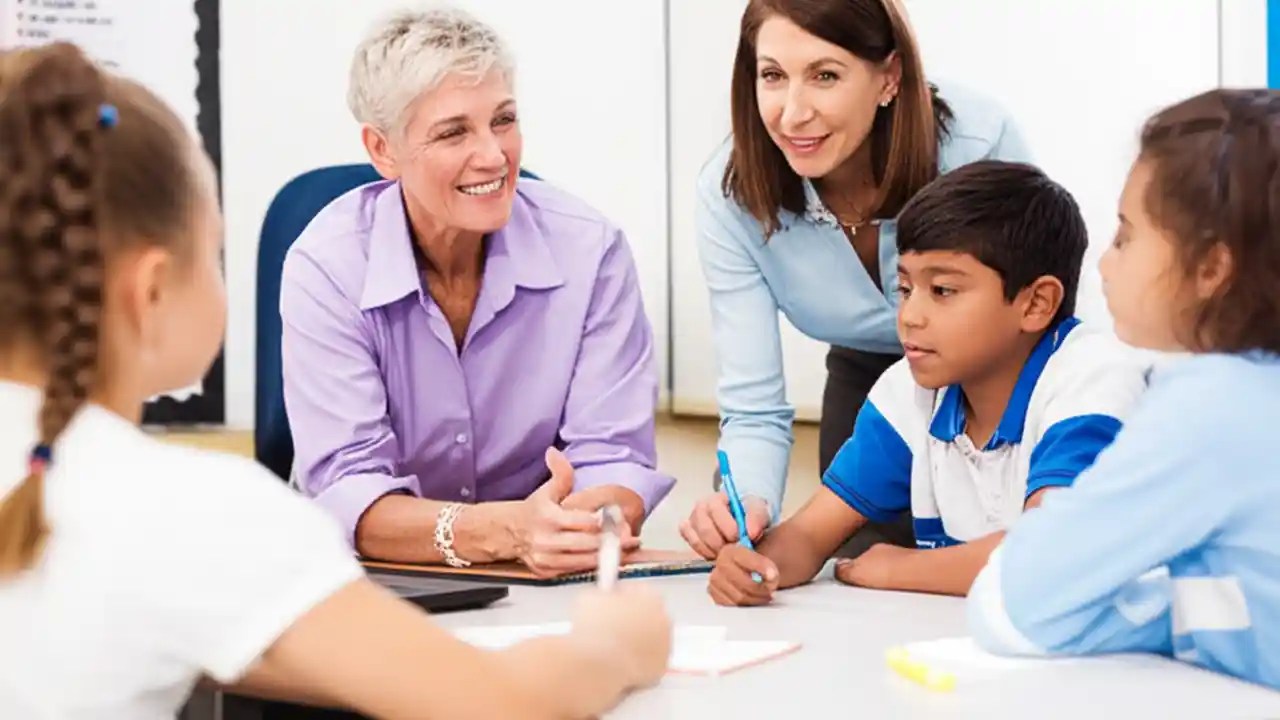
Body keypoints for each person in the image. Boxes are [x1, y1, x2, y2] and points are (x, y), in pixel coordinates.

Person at [0, 41, 671, 719]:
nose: (493, 156)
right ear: (151, 291)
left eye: (503, 121)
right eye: (214, 250)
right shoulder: (199, 514)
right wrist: (613, 647)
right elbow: (501, 703)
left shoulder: (92, 494)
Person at [281, 6, 673, 576]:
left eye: (503, 120)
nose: (494, 156)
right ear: (383, 150)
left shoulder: (591, 252)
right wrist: (501, 532)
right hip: (374, 580)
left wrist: (575, 529)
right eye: (453, 132)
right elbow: (349, 490)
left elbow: (613, 457)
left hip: (541, 577)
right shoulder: (328, 267)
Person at [707, 160, 1150, 606]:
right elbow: (808, 535)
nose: (909, 316)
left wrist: (898, 568)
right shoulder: (910, 392)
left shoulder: (1091, 378)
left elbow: (1052, 552)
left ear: (1036, 303)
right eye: (904, 289)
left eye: (942, 291)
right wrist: (755, 566)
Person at [682, 0, 1033, 561]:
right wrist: (746, 503)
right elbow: (753, 407)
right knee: (853, 566)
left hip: (999, 382)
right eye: (772, 76)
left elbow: (1036, 319)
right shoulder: (731, 197)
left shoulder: (977, 145)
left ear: (888, 77)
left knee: (996, 563)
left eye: (824, 76)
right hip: (867, 386)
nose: (792, 114)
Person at [967, 90, 1280, 691]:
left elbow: (1012, 605)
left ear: (1211, 269)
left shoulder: (1209, 406)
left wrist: (1167, 608)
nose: (1105, 264)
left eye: (1125, 236)